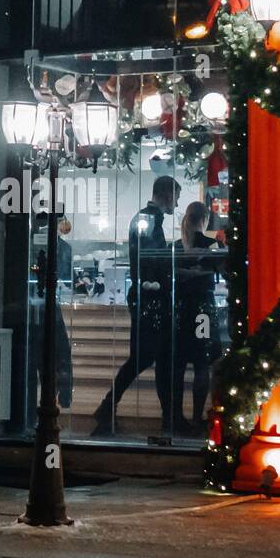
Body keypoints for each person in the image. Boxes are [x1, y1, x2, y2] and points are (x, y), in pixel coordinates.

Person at [91, 174, 185, 437]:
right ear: (167, 195)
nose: (176, 204)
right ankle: (113, 407)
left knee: (152, 358)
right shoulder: (149, 221)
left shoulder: (147, 219)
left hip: (147, 297)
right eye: (175, 197)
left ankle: (166, 417)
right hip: (150, 298)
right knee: (146, 357)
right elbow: (150, 261)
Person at [172, 201, 219, 430]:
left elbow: (172, 273)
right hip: (203, 309)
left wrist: (184, 273)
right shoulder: (211, 245)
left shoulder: (176, 247)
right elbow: (213, 273)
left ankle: (176, 416)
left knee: (179, 364)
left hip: (181, 308)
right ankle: (197, 416)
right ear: (205, 218)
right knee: (202, 363)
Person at [28, 216, 74, 422]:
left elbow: (65, 275)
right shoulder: (32, 245)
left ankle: (54, 399)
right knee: (53, 353)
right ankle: (52, 400)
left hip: (43, 306)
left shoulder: (61, 248)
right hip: (42, 307)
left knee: (51, 354)